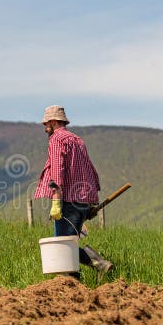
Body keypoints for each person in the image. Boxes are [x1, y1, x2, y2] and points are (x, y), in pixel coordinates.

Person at [34, 105, 114, 278]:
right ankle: (74, 282)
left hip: (68, 201)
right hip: (83, 199)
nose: (44, 127)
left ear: (54, 121)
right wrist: (90, 201)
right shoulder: (77, 140)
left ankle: (98, 263)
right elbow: (89, 169)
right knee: (70, 242)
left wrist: (56, 202)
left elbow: (57, 171)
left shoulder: (57, 140)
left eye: (46, 123)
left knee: (62, 245)